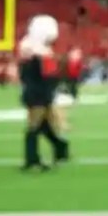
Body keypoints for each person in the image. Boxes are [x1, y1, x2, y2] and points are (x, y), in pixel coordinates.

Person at [18, 15, 70, 171]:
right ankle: (60, 147)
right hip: (37, 92)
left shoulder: (36, 51)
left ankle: (32, 160)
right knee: (42, 126)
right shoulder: (39, 51)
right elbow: (49, 76)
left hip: (38, 94)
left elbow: (48, 77)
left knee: (34, 127)